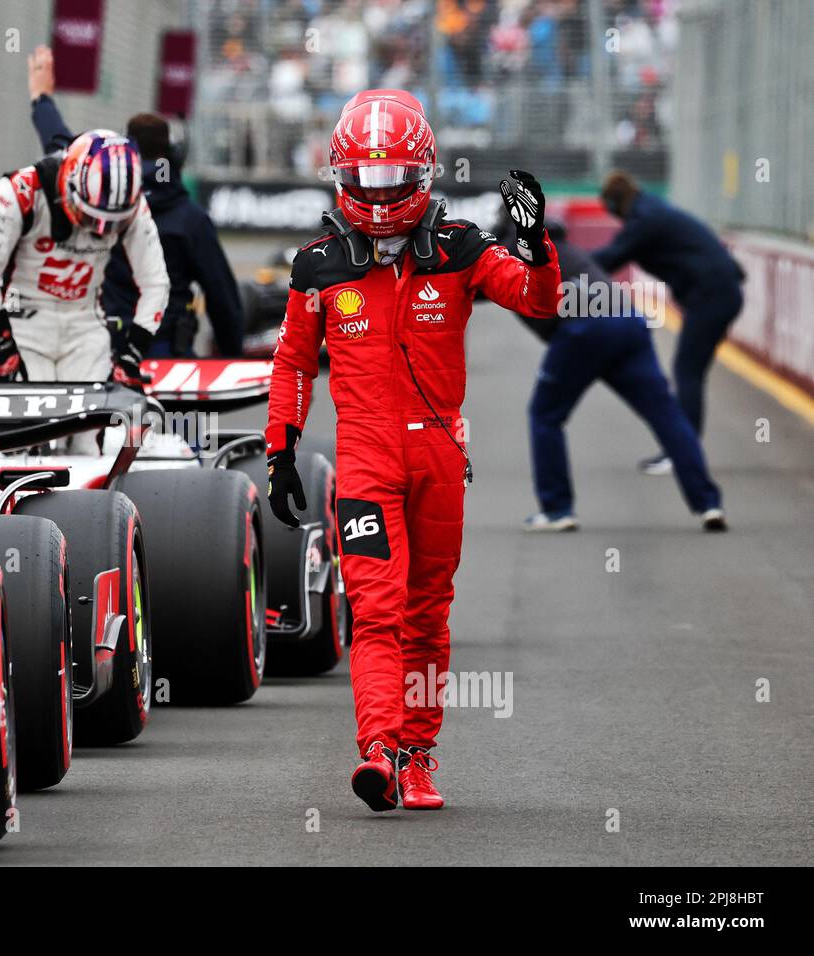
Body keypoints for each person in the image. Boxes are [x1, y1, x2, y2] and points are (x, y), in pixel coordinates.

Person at [265, 90, 563, 813]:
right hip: (365, 461)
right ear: (342, 177)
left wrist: (535, 245)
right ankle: (378, 752)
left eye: (391, 177)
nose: (377, 193)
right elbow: (294, 364)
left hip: (438, 460)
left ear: (421, 174)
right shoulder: (318, 266)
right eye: (364, 179)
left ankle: (419, 757)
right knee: (375, 612)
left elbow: (538, 300)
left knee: (428, 614)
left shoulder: (460, 246)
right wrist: (281, 450)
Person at [495, 217, 727, 532]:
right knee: (665, 414)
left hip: (581, 328)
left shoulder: (512, 249)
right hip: (626, 320)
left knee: (545, 416)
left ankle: (557, 509)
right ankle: (708, 503)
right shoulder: (563, 245)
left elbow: (480, 283)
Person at [26, 44, 245, 358]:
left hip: (97, 353)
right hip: (165, 359)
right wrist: (230, 357)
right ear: (175, 158)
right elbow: (222, 299)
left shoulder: (93, 190)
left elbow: (58, 141)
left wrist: (41, 98)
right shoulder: (190, 219)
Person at [0, 126, 168, 392]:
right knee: (35, 428)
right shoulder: (21, 191)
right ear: (70, 182)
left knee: (100, 429)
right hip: (24, 325)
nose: (100, 230)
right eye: (91, 217)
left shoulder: (133, 205)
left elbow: (156, 283)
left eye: (113, 225)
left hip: (86, 327)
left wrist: (133, 353)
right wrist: (2, 343)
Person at [593, 171, 746, 473]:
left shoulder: (644, 220)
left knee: (687, 370)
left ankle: (683, 453)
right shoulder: (649, 209)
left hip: (713, 296)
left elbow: (608, 259)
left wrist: (559, 264)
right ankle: (684, 449)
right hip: (717, 293)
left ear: (615, 202)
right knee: (690, 370)